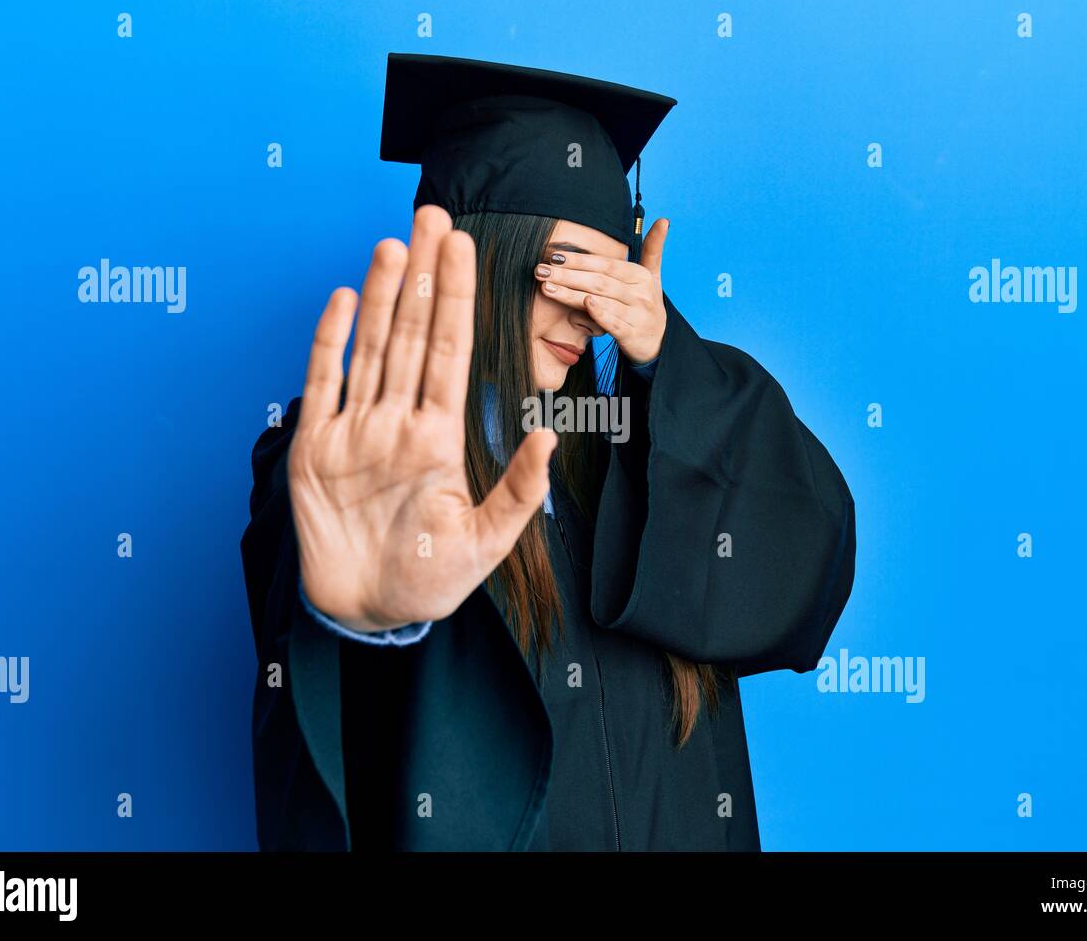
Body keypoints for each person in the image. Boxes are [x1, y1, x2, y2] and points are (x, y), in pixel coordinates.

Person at [239, 53, 857, 851]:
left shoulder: (635, 452)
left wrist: (670, 362)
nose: (592, 313)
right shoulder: (353, 464)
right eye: (568, 270)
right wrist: (364, 628)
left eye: (613, 279)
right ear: (484, 256)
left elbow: (805, 567)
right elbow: (320, 741)